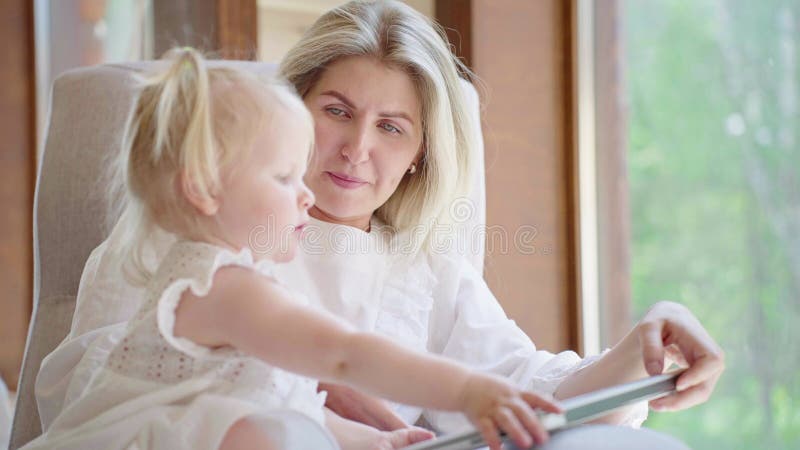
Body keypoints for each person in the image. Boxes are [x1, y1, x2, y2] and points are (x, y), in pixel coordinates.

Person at [35, 0, 724, 447]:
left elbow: (529, 394)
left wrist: (645, 343)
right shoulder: (183, 240)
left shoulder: (425, 270)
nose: (356, 148)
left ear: (420, 154)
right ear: (292, 108)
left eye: (391, 127)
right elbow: (93, 392)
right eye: (336, 111)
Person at [22, 47, 564, 450]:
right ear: (204, 189)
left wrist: (371, 440)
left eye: (390, 127)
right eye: (284, 177)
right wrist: (467, 391)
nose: (304, 193)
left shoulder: (227, 282)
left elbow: (287, 397)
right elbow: (345, 354)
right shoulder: (226, 287)